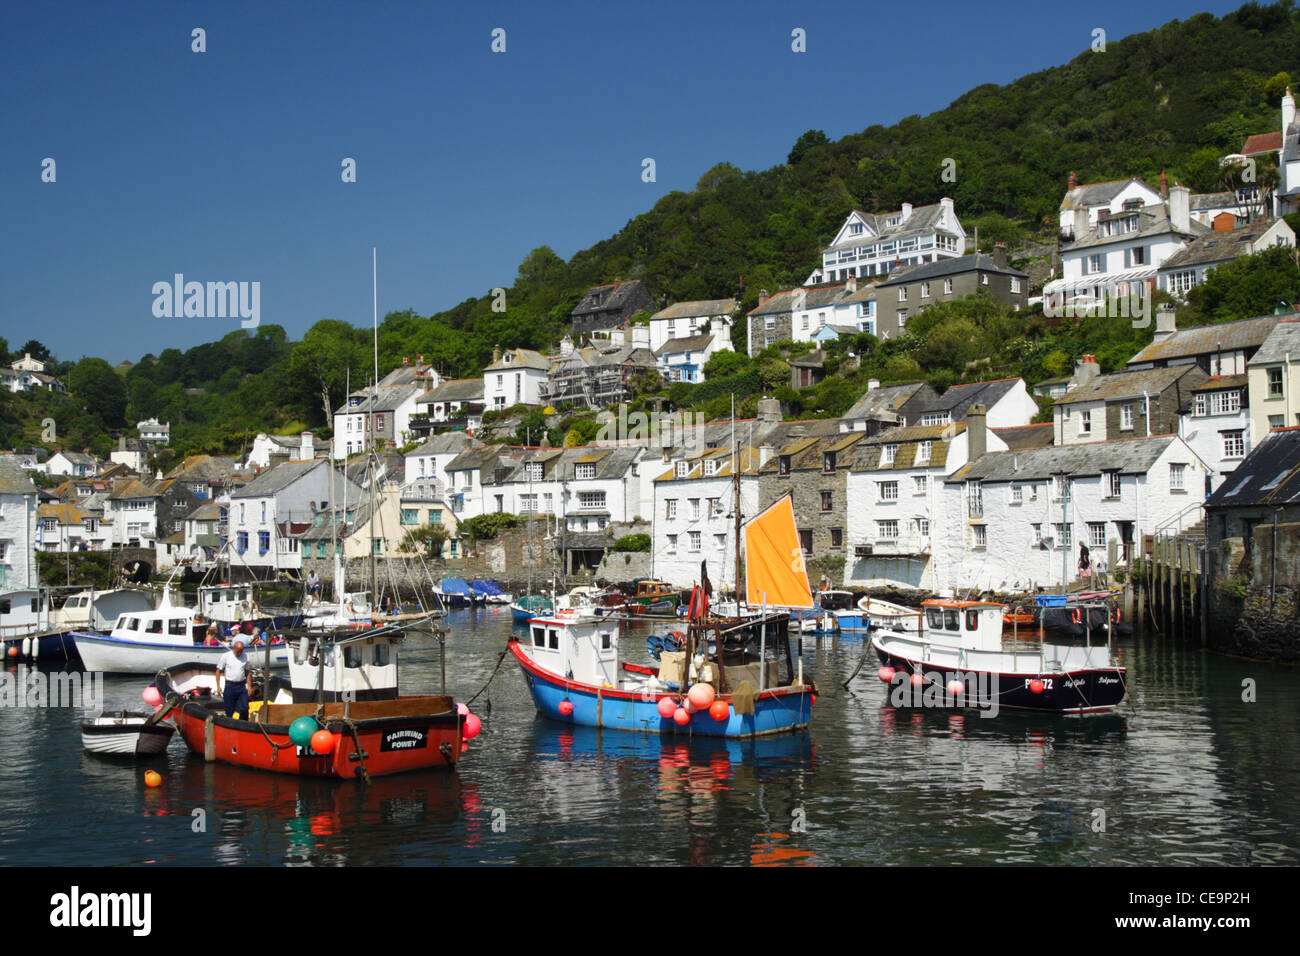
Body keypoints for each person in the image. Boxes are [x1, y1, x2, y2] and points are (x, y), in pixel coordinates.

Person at [216, 638, 252, 719]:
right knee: (229, 710)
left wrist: (249, 686)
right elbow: (218, 671)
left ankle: (243, 724)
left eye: (241, 651)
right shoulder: (226, 656)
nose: (239, 653)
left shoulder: (246, 657)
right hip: (230, 686)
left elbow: (247, 673)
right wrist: (218, 686)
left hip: (241, 686)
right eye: (238, 651)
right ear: (234, 648)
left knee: (244, 708)